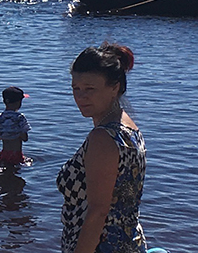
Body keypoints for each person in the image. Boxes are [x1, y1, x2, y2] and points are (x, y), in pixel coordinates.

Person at [58, 43, 148, 253]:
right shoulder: (129, 127)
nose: (81, 97)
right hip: (129, 241)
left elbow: (98, 212)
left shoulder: (102, 138)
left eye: (90, 89)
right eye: (76, 89)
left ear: (114, 87)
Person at [0, 86, 30, 165]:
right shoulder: (20, 118)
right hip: (17, 154)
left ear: (4, 101)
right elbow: (25, 138)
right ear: (19, 103)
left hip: (3, 154)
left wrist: (6, 134)